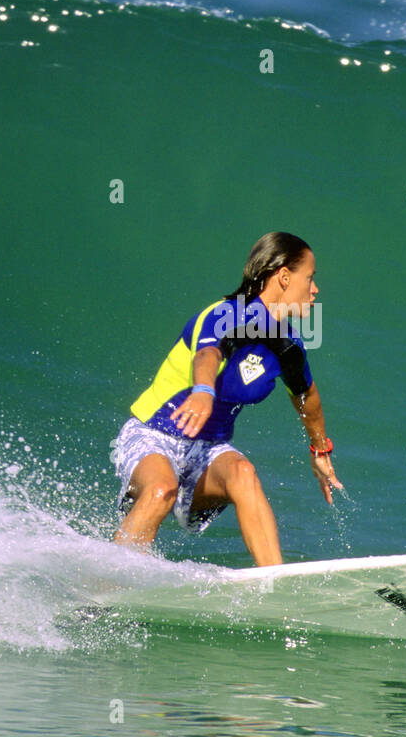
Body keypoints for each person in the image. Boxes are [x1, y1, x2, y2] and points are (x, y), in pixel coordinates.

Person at [111, 232, 343, 566]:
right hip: (152, 434)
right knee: (161, 489)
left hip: (206, 449)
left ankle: (277, 584)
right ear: (284, 276)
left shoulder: (289, 346)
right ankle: (106, 588)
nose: (315, 289)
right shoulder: (226, 315)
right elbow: (206, 353)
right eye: (310, 278)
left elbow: (307, 396)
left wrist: (320, 449)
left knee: (243, 472)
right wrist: (204, 391)